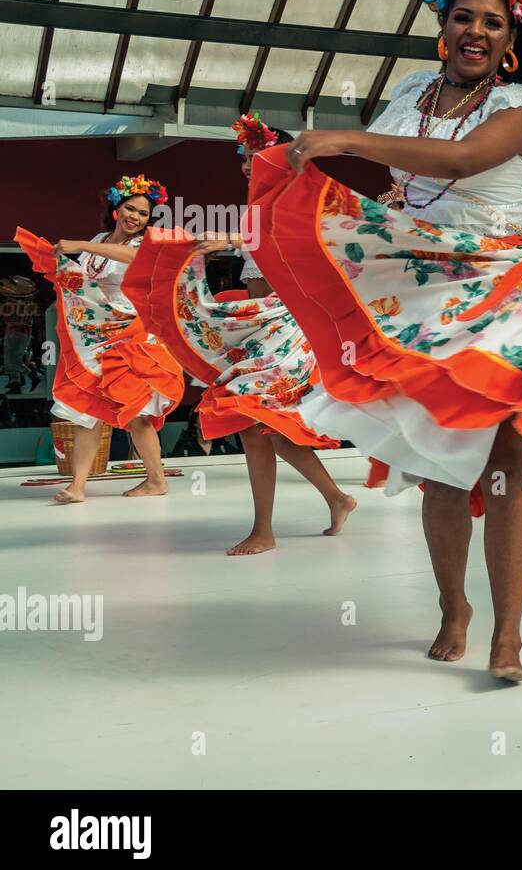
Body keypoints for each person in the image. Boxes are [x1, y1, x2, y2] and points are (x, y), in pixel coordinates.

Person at [246, 0, 522, 682]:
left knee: (502, 465)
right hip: (428, 294)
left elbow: (463, 163)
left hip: (507, 292)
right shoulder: (409, 96)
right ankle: (452, 608)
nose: (476, 30)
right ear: (444, 27)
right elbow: (407, 183)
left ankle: (509, 636)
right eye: (463, 16)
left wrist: (340, 138)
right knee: (440, 470)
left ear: (509, 40)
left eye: (492, 22)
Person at [123, 112, 357, 555]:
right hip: (261, 326)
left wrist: (226, 239)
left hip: (289, 328)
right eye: (245, 157)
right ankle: (336, 497)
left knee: (251, 421)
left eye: (257, 156)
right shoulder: (260, 204)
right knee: (266, 427)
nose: (248, 163)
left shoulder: (294, 200)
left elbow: (288, 241)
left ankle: (264, 530)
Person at [15, 176, 185, 503]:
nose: (135, 217)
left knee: (136, 413)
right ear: (116, 208)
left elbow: (133, 262)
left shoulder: (139, 246)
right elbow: (81, 282)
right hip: (95, 335)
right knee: (88, 409)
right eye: (130, 209)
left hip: (130, 334)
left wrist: (80, 246)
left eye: (143, 213)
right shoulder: (101, 237)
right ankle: (78, 486)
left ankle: (157, 480)